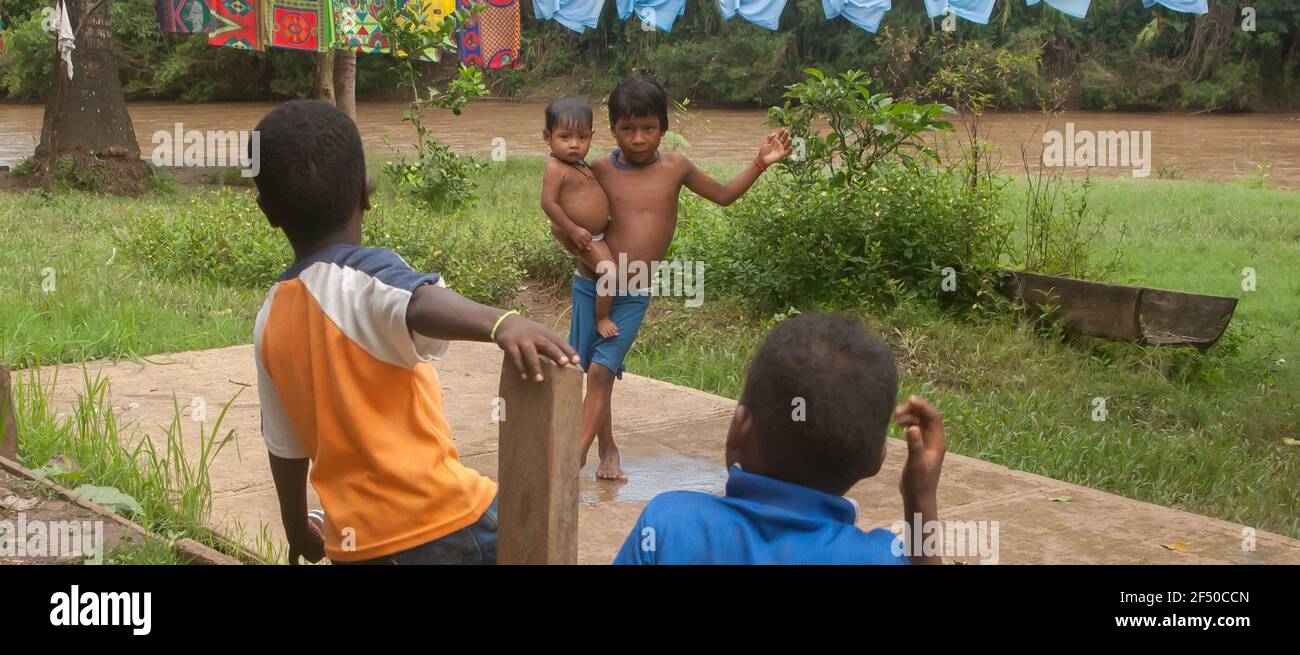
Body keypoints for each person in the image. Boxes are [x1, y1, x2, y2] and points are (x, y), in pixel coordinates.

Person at [251, 100, 577, 564]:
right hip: (446, 525)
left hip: (360, 546)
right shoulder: (365, 274)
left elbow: (283, 446)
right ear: (366, 190)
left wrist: (298, 527)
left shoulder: (270, 318)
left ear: (267, 211)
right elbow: (419, 302)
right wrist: (502, 322)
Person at [613, 313, 948, 564]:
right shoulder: (878, 557)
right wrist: (920, 498)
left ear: (739, 428)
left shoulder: (670, 523)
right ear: (876, 461)